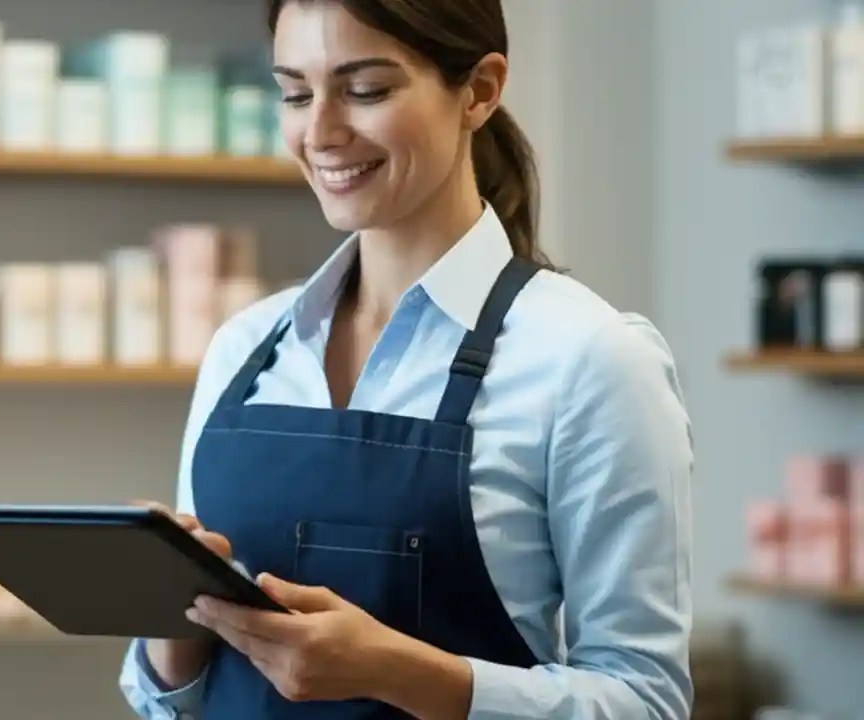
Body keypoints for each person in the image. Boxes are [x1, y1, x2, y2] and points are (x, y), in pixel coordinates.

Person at [119, 0, 694, 717]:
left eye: (366, 91)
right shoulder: (245, 347)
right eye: (296, 94)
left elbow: (647, 700)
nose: (320, 132)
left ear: (480, 91)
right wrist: (173, 626)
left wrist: (400, 672)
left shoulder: (591, 361)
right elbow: (167, 699)